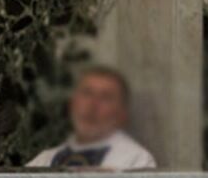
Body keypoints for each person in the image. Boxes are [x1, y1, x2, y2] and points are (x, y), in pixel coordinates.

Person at [28, 66, 157, 170]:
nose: (92, 105)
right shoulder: (44, 160)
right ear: (72, 104)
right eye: (86, 93)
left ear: (122, 114)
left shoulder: (136, 160)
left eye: (106, 97)